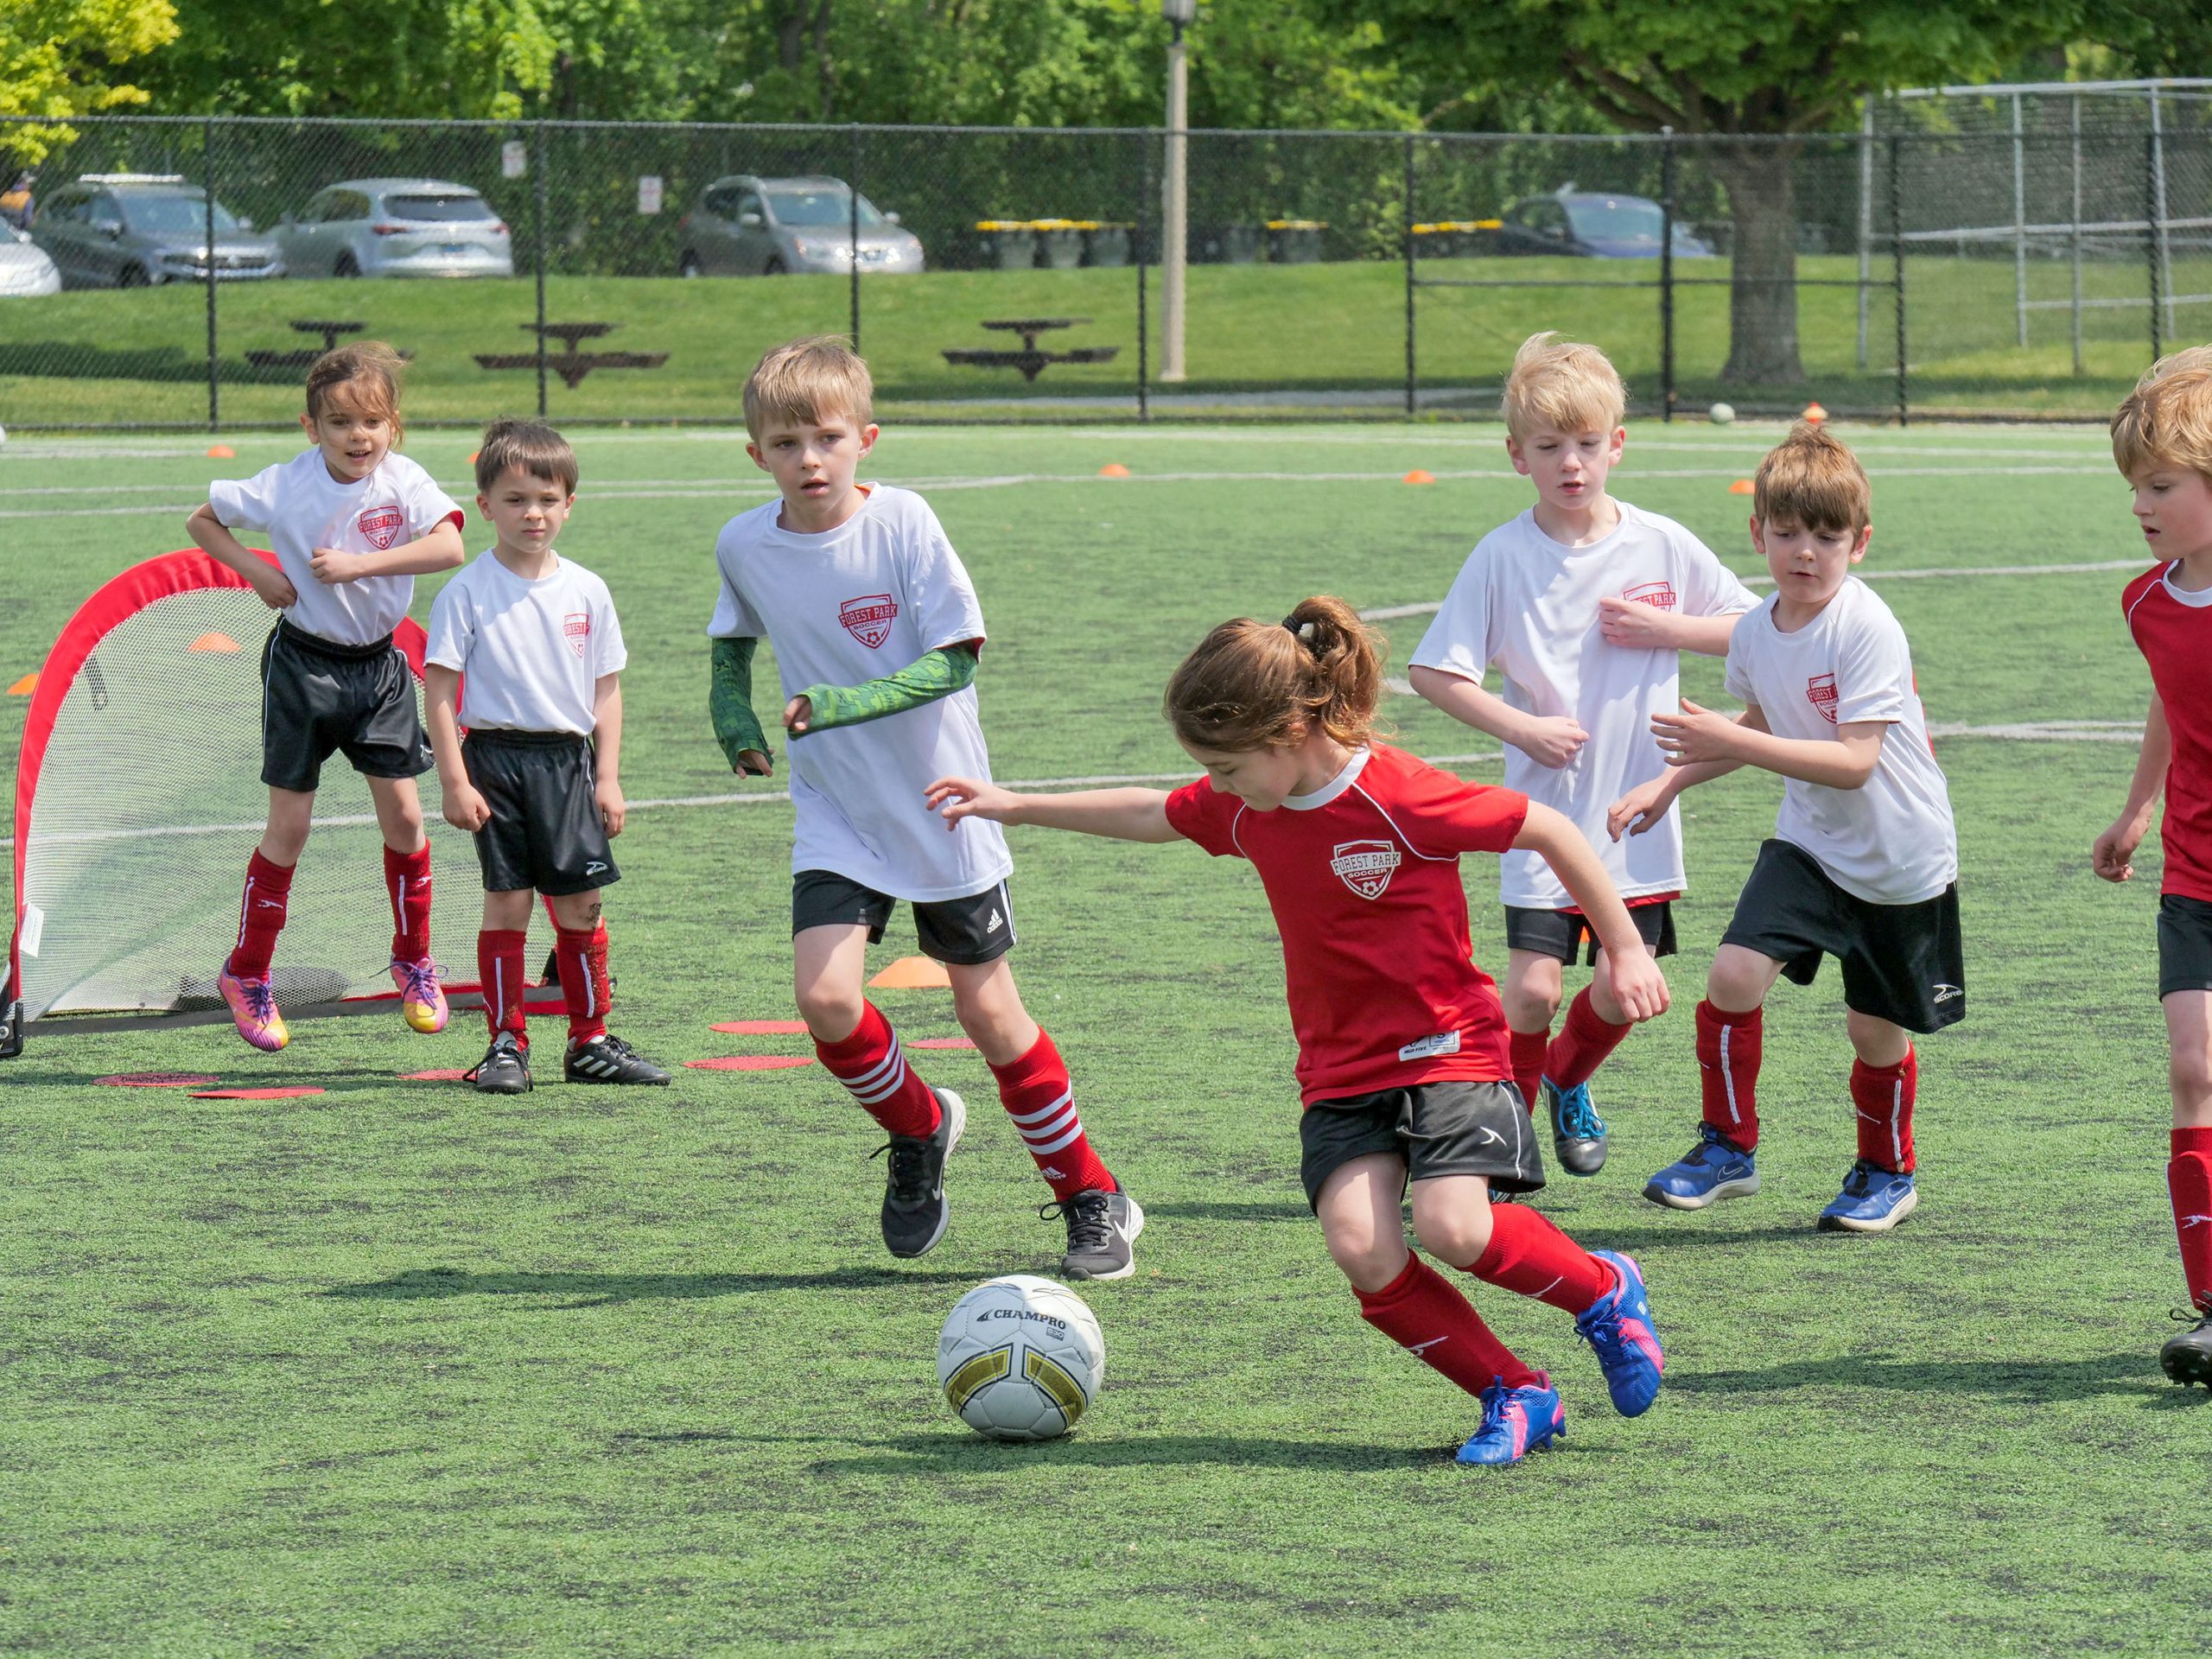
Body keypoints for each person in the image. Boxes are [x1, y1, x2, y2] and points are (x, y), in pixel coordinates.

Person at [926, 596, 1669, 1466]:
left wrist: (1621, 947)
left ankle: (1602, 1290)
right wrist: (1012, 806)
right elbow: (1149, 813)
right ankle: (1516, 1392)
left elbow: (1543, 827)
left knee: (1457, 1229)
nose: (1218, 785)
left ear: (1286, 734)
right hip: (1340, 1069)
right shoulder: (1247, 806)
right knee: (1361, 1248)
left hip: (1449, 1048)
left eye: (1227, 765)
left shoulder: (1399, 795)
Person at [707, 337, 1139, 1280]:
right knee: (825, 999)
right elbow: (731, 641)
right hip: (836, 811)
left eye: (826, 437)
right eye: (785, 443)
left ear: (865, 437)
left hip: (946, 803)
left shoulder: (902, 521)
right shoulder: (743, 541)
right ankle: (922, 1124)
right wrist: (732, 715)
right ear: (755, 455)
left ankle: (1089, 1195)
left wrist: (840, 703)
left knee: (990, 1016)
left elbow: (956, 658)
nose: (808, 459)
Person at [1409, 332, 1757, 1179]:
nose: (1571, 463)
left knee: (1618, 991)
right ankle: (1508, 1141)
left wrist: (1672, 630)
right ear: (1515, 456)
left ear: (1617, 446)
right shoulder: (1502, 556)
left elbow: (1757, 632)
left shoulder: (1661, 545)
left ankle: (1566, 1077)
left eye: (1588, 445)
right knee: (1528, 990)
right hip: (1542, 816)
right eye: (1549, 447)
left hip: (1633, 815)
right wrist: (1518, 729)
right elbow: (1432, 671)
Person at [1608, 423, 1961, 1233]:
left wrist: (1732, 741)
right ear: (1757, 533)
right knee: (1733, 976)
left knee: (1873, 1028)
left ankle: (1887, 1172)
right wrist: (1667, 784)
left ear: (1859, 544)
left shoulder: (1866, 627)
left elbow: (1854, 762)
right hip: (1810, 843)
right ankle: (1727, 1148)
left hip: (1898, 856)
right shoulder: (1757, 629)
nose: (1806, 552)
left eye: (1827, 537)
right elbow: (1760, 719)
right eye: (1788, 533)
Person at [186, 342, 465, 1052]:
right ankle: (246, 973)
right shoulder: (285, 485)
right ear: (312, 428)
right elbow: (202, 521)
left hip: (379, 672)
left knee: (404, 815)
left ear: (392, 425)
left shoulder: (404, 482)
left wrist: (360, 566)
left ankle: (414, 962)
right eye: (340, 423)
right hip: (304, 669)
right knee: (291, 828)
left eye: (371, 421)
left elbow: (449, 549)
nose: (357, 436)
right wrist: (254, 569)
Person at [423, 419, 669, 1093]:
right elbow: (440, 691)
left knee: (581, 907)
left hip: (568, 764)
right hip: (495, 763)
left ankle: (588, 1040)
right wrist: (453, 780)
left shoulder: (588, 590)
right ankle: (506, 1043)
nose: (532, 513)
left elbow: (606, 690)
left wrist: (609, 777)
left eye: (547, 499)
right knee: (507, 906)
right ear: (485, 506)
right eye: (515, 500)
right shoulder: (466, 592)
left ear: (569, 504)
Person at [2094, 346, 2212, 1389]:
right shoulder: (2144, 603)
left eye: (2162, 485)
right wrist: (2136, 808)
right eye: (2134, 484)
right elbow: (2170, 710)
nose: (2141, 501)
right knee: (2192, 1072)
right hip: (2196, 881)